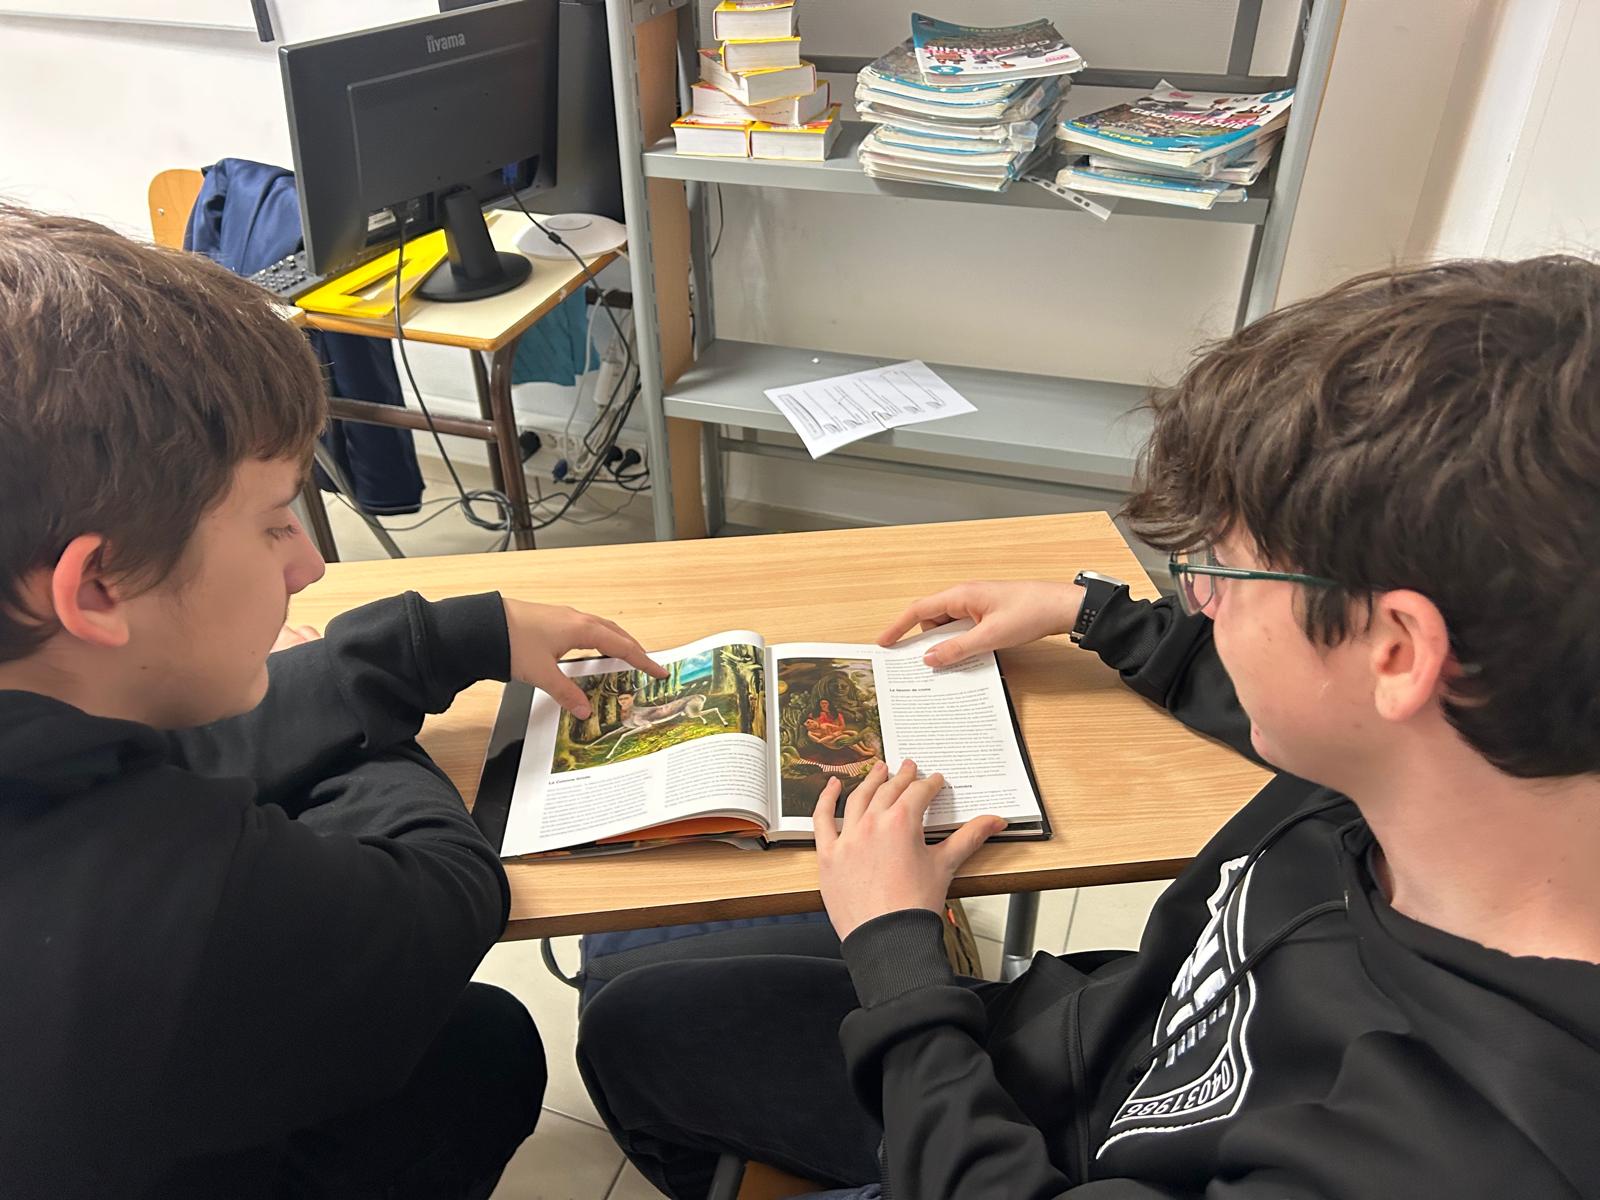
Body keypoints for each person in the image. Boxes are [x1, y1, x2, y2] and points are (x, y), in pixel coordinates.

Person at [577, 256, 1600, 1198]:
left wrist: (897, 951)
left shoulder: (1459, 1151)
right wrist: (1092, 614)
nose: (1199, 597)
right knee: (638, 1024)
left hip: (1023, 1158)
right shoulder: (1471, 752)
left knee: (645, 1005)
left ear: (1395, 652)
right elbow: (1275, 690)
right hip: (1081, 1059)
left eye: (1224, 571)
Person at [0, 204, 664, 1199]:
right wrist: (365, 728)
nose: (310, 564)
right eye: (275, 525)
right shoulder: (196, 906)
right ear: (97, 589)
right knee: (483, 1047)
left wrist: (433, 644)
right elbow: (445, 887)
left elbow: (138, 759)